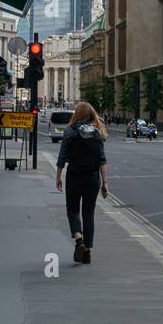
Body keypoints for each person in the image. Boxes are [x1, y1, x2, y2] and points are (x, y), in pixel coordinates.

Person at [55, 101, 108, 264]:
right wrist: (105, 182)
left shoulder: (70, 131)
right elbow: (102, 160)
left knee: (72, 210)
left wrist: (58, 176)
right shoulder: (96, 133)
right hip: (92, 177)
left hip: (74, 175)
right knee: (88, 213)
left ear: (76, 114)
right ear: (90, 114)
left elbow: (62, 156)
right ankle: (87, 252)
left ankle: (79, 240)